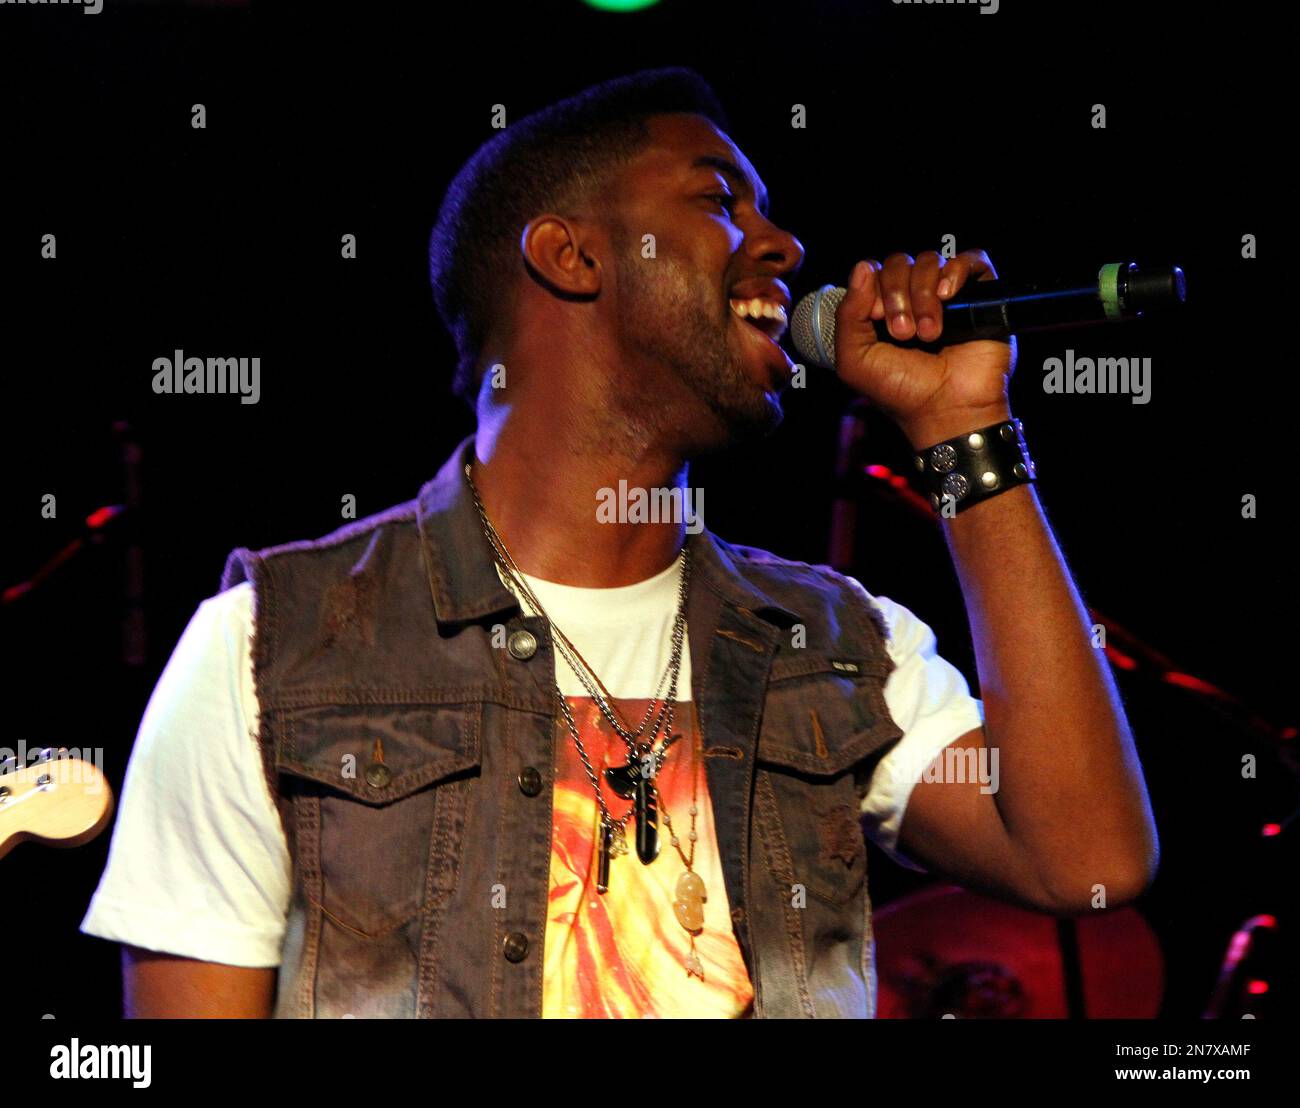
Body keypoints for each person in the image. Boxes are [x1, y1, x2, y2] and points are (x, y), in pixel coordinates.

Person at [81, 67, 1158, 1018]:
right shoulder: (274, 645)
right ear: (569, 254)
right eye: (716, 200)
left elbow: (1089, 862)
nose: (781, 246)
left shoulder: (837, 641)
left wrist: (963, 435)